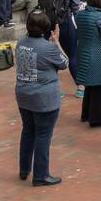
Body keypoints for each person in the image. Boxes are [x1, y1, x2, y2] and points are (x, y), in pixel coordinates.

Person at [15, 10, 69, 186]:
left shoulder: (21, 42)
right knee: (43, 135)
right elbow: (64, 63)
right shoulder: (48, 48)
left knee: (28, 131)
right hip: (44, 97)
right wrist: (57, 42)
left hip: (24, 93)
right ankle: (40, 175)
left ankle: (24, 169)